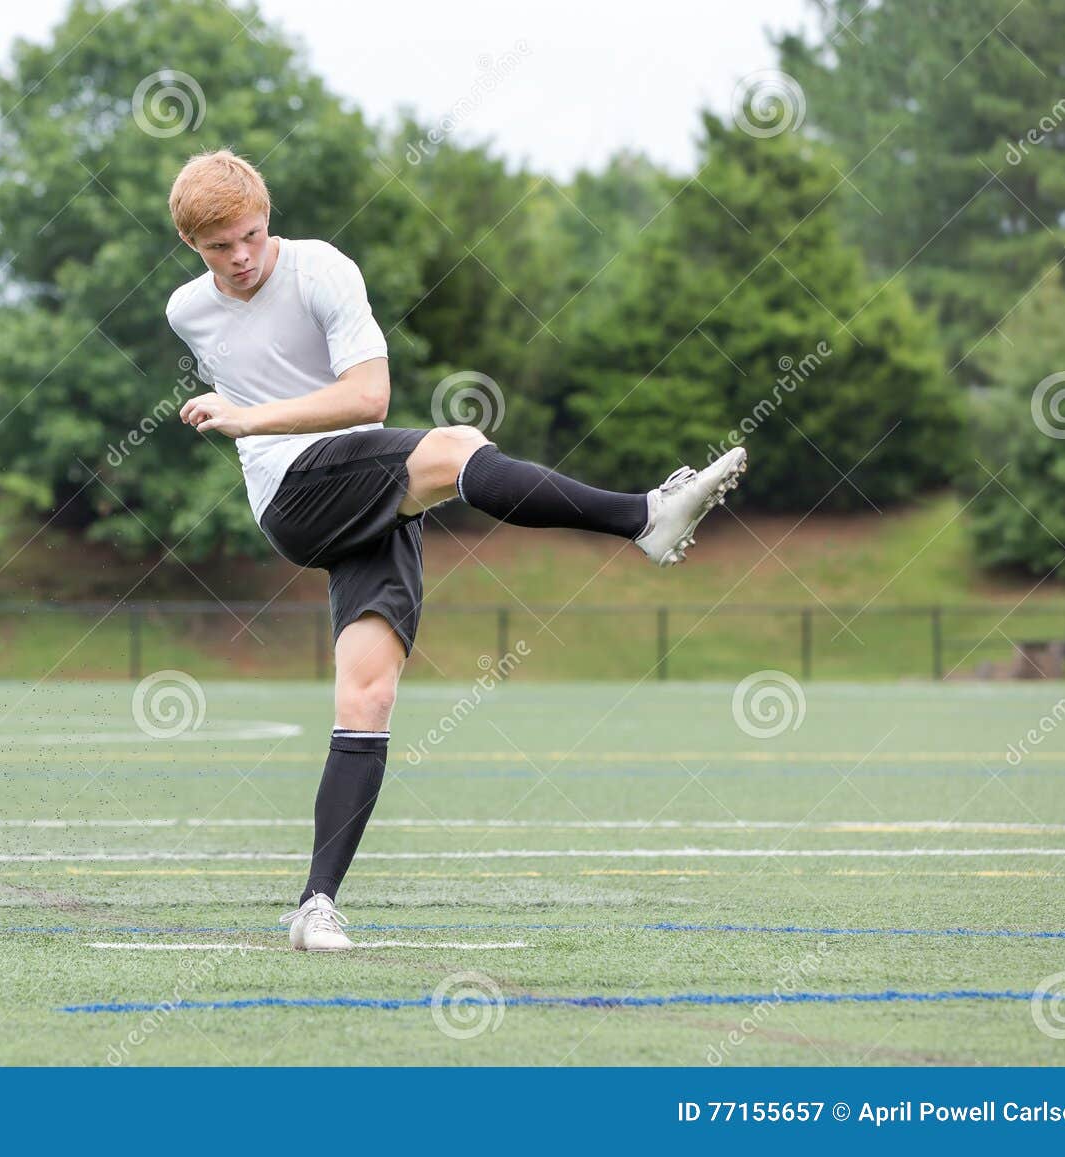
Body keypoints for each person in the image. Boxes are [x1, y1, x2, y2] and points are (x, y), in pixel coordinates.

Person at [164, 149, 746, 950]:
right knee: (455, 445)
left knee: (367, 699)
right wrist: (250, 423)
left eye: (252, 236)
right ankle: (643, 517)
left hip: (366, 488)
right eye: (219, 247)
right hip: (293, 496)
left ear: (270, 218)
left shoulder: (321, 270)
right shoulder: (185, 311)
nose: (241, 257)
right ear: (194, 246)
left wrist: (245, 413)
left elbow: (369, 397)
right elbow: (299, 407)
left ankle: (315, 904)